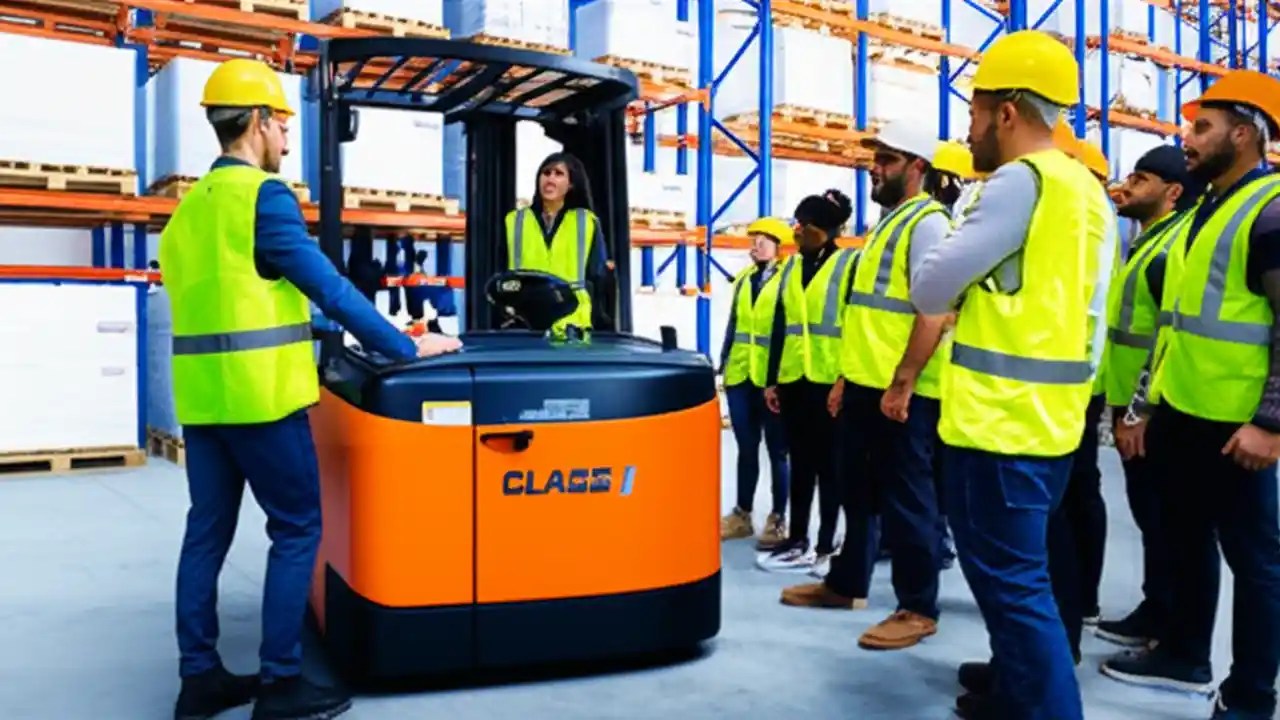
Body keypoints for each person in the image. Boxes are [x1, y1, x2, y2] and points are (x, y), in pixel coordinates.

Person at [161, 60, 462, 720]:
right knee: (298, 529)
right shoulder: (264, 200)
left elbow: (245, 297)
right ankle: (281, 683)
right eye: (284, 124)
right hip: (262, 400)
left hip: (205, 405)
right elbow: (326, 285)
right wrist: (407, 345)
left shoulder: (187, 213)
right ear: (259, 122)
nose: (289, 140)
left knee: (205, 536)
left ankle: (199, 677)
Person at [909, 30, 1117, 720]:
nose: (967, 129)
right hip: (1050, 418)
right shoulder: (1085, 192)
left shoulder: (1019, 182)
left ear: (1006, 113)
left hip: (1000, 423)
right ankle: (1018, 695)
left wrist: (942, 218)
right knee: (1015, 583)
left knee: (1016, 588)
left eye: (974, 111)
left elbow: (931, 287)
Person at [1099, 69, 1280, 720]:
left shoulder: (1270, 208)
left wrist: (1271, 423)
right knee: (1184, 539)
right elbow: (1172, 325)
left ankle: (1252, 698)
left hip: (1236, 425)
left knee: (1256, 565)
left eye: (1203, 127)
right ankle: (1183, 656)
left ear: (1245, 132)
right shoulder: (1208, 209)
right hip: (1184, 411)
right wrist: (1145, 404)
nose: (1189, 137)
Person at [778, 123, 950, 654]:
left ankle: (917, 607)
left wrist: (904, 381)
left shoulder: (927, 223)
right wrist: (848, 378)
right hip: (864, 384)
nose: (875, 167)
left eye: (888, 160)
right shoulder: (888, 225)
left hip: (902, 391)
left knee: (908, 501)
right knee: (856, 489)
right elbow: (869, 312)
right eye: (875, 158)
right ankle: (847, 584)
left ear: (918, 167)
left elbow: (935, 309)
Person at [1093, 145, 1201, 651]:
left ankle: (1170, 621)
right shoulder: (1146, 243)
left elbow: (1164, 337)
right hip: (1131, 402)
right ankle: (1156, 609)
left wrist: (1136, 411)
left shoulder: (1167, 248)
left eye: (1140, 179)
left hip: (1150, 410)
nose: (1126, 187)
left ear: (1172, 192)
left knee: (1166, 520)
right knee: (1152, 519)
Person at [756, 190, 857, 575]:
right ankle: (797, 539)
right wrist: (771, 381)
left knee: (830, 467)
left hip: (830, 381)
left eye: (806, 225)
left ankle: (825, 545)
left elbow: (853, 326)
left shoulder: (847, 266)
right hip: (794, 379)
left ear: (826, 230)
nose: (798, 232)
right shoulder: (790, 269)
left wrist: (845, 380)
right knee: (800, 463)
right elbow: (782, 325)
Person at [720, 217, 793, 549]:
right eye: (753, 240)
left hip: (770, 380)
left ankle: (778, 518)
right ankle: (742, 514)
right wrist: (723, 365)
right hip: (740, 375)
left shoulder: (787, 280)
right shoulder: (744, 279)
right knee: (746, 449)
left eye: (763, 240)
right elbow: (734, 325)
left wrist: (779, 378)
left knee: (778, 451)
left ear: (779, 246)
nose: (756, 245)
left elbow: (785, 331)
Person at [501, 151, 612, 337]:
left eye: (558, 174)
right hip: (525, 322)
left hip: (572, 326)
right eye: (546, 173)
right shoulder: (515, 221)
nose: (550, 179)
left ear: (571, 184)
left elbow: (598, 275)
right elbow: (501, 271)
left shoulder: (585, 222)